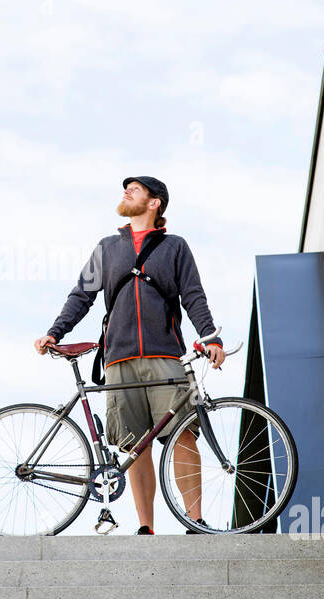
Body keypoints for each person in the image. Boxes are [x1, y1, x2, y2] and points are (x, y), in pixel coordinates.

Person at [34, 177, 225, 535]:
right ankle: (145, 527)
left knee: (183, 434)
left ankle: (195, 521)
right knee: (137, 445)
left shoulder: (175, 247)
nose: (126, 193)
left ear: (155, 203)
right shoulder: (106, 248)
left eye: (135, 190)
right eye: (127, 189)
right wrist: (55, 332)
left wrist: (210, 337)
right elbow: (81, 296)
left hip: (164, 354)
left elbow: (193, 295)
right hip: (118, 359)